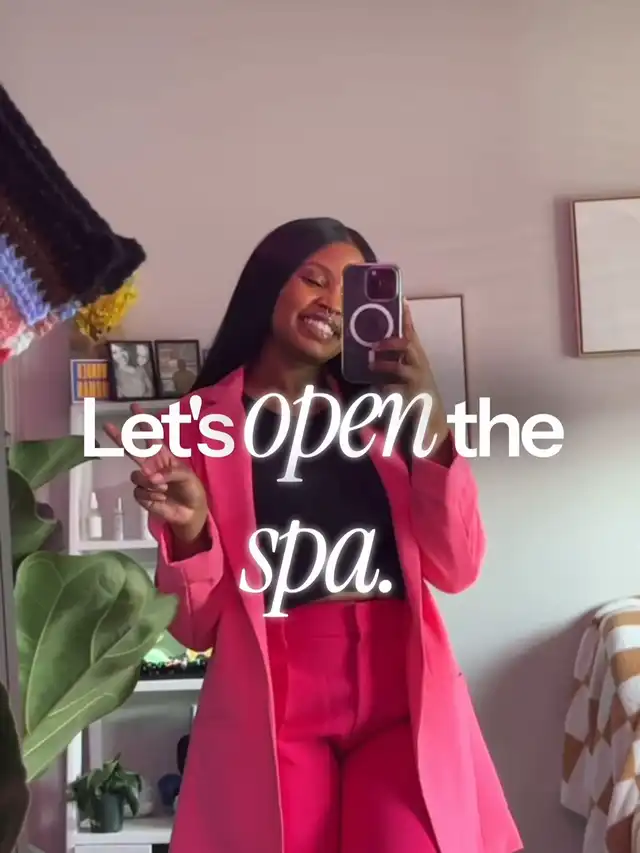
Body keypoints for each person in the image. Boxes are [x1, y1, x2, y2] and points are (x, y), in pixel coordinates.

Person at [105, 218, 522, 853]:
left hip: (402, 693)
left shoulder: (387, 416)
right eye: (314, 279)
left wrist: (429, 412)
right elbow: (195, 628)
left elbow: (457, 567)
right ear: (270, 285)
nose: (332, 303)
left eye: (352, 293)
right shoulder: (194, 427)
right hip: (274, 698)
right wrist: (189, 528)